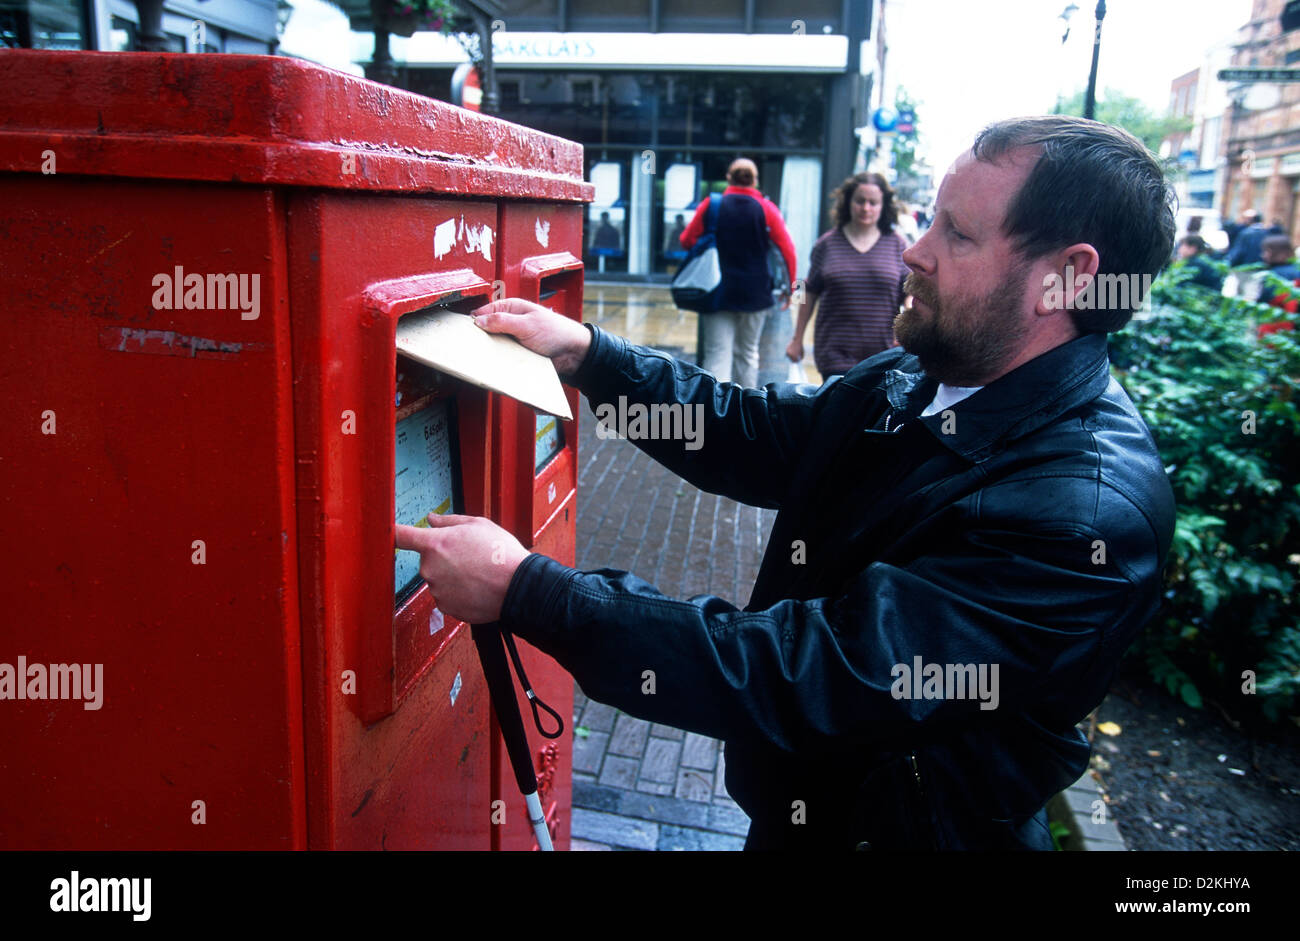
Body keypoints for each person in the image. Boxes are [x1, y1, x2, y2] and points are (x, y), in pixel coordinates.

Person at [396, 115, 1177, 850]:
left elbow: (810, 671)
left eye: (958, 233)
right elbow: (757, 432)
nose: (914, 251)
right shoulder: (922, 375)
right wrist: (592, 357)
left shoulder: (1084, 516)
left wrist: (530, 591)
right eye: (930, 219)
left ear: (1069, 278)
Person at [679, 157, 797, 387]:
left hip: (716, 290)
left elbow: (686, 241)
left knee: (717, 354)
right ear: (755, 180)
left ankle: (716, 413)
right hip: (756, 293)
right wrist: (791, 288)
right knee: (748, 354)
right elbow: (788, 251)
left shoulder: (711, 205)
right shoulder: (766, 208)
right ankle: (746, 408)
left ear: (728, 178)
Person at [786, 172, 911, 378]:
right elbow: (804, 289)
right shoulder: (826, 244)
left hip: (883, 356)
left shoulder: (897, 245)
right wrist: (796, 338)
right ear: (848, 202)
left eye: (873, 202)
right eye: (860, 201)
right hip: (834, 355)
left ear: (883, 206)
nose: (866, 208)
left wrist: (908, 317)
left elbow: (909, 291)